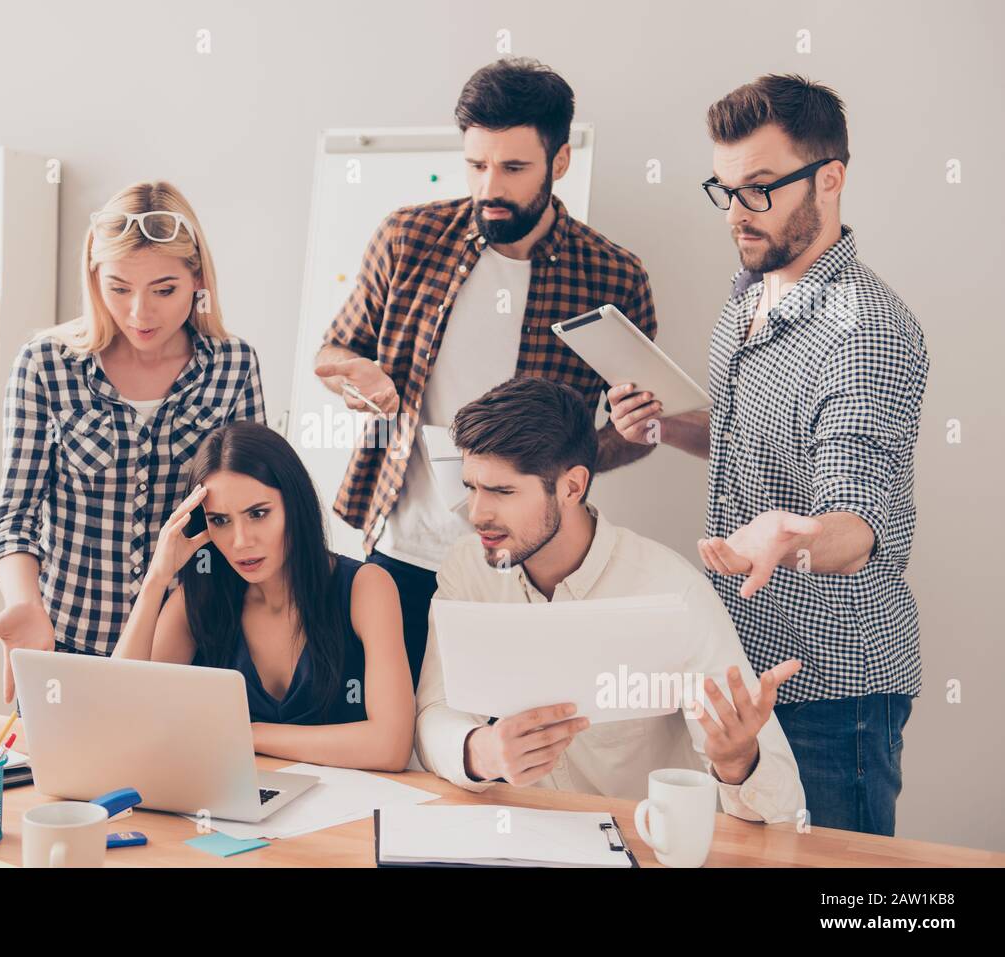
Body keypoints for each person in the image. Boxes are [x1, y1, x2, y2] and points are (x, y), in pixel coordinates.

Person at [608, 75, 928, 836]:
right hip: (745, 668)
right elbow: (752, 439)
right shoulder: (755, 287)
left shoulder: (867, 334)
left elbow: (856, 521)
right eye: (725, 191)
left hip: (830, 690)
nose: (737, 217)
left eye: (759, 189)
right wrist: (661, 427)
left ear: (830, 178)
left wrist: (797, 535)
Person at [314, 57, 658, 689]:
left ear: (559, 164)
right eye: (476, 164)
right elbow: (332, 353)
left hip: (529, 567)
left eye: (514, 167)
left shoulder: (614, 278)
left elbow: (617, 437)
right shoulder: (407, 238)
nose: (489, 186)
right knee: (390, 741)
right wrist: (358, 378)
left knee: (509, 749)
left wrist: (633, 439)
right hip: (399, 551)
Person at [416, 377, 805, 823]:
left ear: (572, 487)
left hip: (639, 845)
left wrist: (737, 763)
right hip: (520, 836)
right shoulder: (467, 568)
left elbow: (783, 806)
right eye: (471, 487)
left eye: (503, 492)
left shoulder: (671, 591)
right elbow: (433, 711)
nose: (476, 513)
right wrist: (478, 752)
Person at [0, 181, 265, 701]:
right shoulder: (45, 364)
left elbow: (250, 510)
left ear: (197, 279)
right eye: (119, 288)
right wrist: (26, 604)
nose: (139, 313)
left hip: (194, 648)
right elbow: (13, 517)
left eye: (163, 290)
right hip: (66, 645)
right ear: (93, 279)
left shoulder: (234, 365)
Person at [112, 421, 414, 773]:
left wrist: (247, 733)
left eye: (258, 514)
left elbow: (391, 746)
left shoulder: (366, 588)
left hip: (345, 816)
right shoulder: (196, 601)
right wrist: (156, 579)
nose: (240, 541)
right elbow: (123, 721)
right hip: (232, 806)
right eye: (221, 520)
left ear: (294, 505)